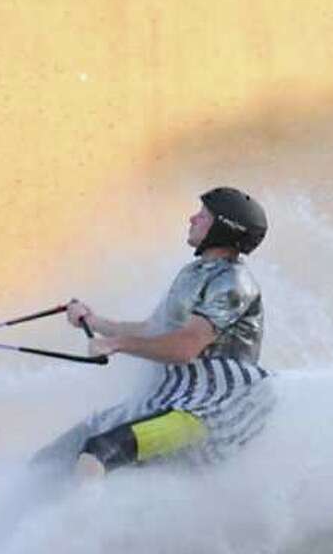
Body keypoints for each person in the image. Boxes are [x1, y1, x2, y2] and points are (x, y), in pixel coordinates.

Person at [33, 188, 272, 478]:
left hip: (208, 414)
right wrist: (94, 321)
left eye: (204, 216)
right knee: (52, 458)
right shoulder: (194, 272)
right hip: (170, 399)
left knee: (98, 452)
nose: (192, 218)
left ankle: (77, 523)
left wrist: (116, 344)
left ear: (224, 227)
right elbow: (154, 330)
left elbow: (184, 348)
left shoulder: (234, 282)